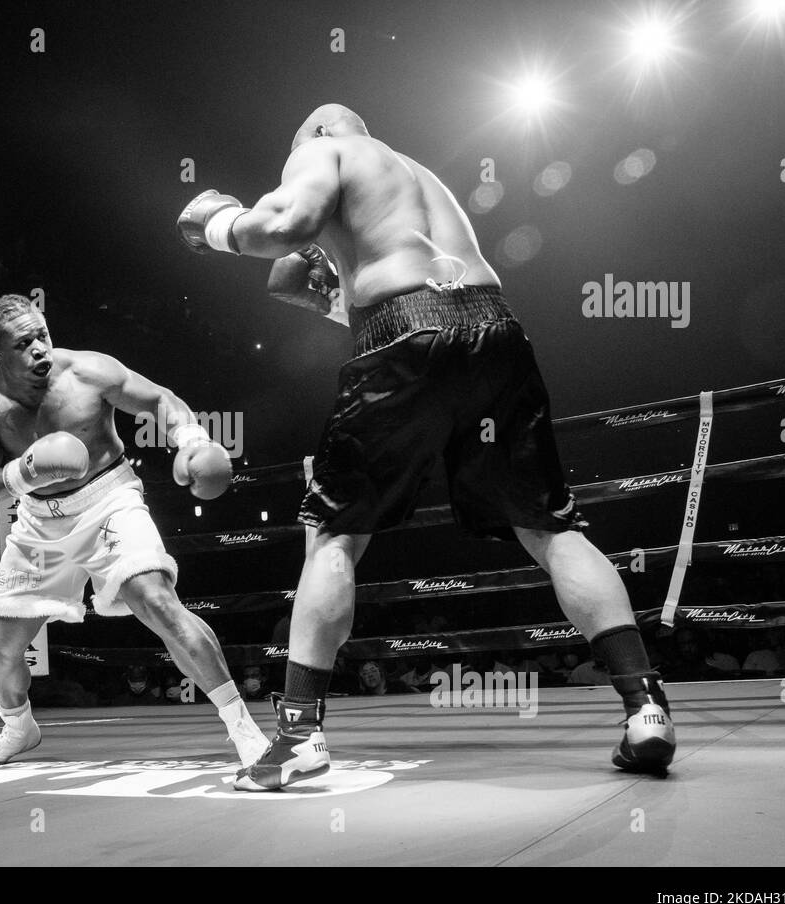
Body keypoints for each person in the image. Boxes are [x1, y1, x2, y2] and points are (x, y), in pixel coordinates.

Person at [178, 104, 675, 790]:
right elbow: (317, 274)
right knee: (550, 528)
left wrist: (216, 224)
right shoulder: (418, 177)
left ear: (315, 136)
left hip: (404, 336)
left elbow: (284, 227)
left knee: (333, 536)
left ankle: (297, 736)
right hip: (495, 333)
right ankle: (646, 708)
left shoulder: (327, 150)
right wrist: (333, 285)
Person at [0, 294, 268, 768]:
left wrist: (191, 439)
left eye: (42, 334)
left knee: (157, 599)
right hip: (39, 520)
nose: (41, 348)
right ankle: (18, 727)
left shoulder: (87, 371)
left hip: (109, 498)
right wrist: (22, 473)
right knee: (0, 650)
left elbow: (159, 399)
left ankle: (242, 727)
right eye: (25, 343)